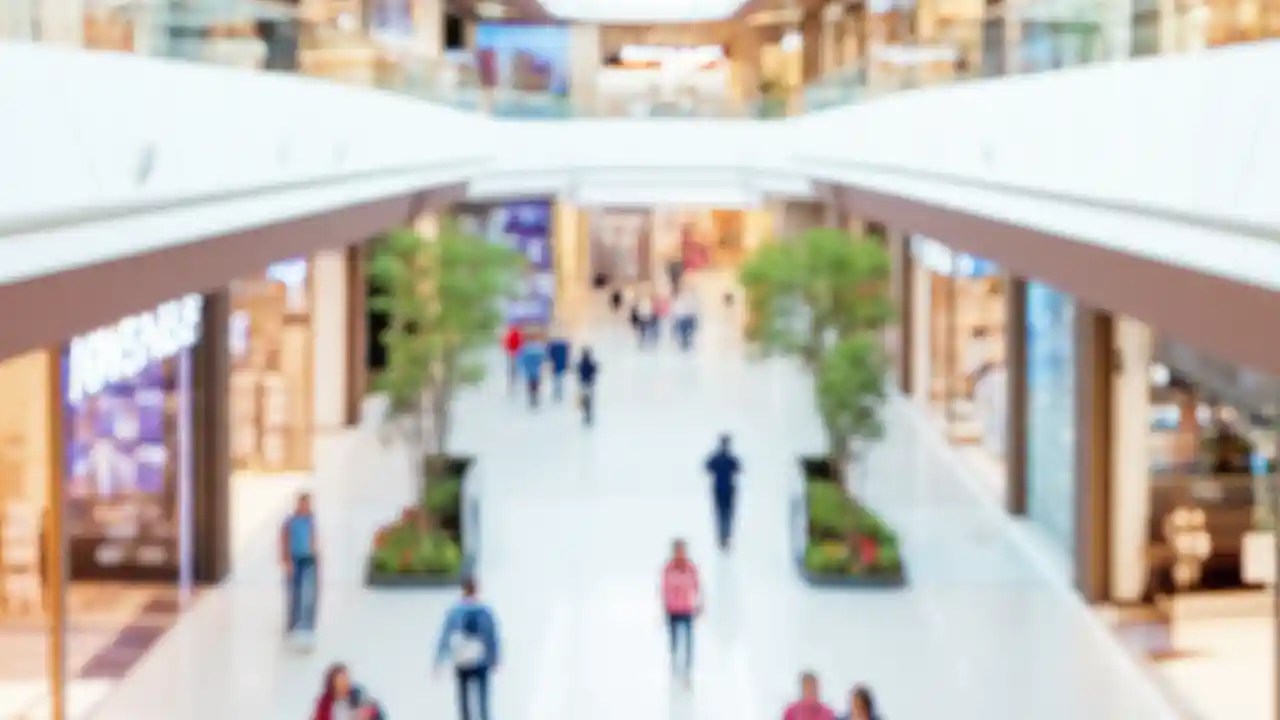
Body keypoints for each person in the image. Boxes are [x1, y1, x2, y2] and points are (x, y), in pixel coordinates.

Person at [435, 578, 501, 720]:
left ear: (463, 591)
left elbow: (446, 635)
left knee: (463, 699)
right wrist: (494, 657)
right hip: (481, 661)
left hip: (462, 660)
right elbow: (491, 636)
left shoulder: (455, 611)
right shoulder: (485, 611)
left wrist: (439, 659)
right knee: (483, 699)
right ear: (476, 590)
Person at [281, 492, 319, 649]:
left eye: (307, 504)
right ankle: (292, 624)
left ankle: (308, 626)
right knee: (294, 592)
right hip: (294, 559)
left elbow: (313, 538)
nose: (305, 507)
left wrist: (315, 555)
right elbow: (284, 540)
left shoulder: (311, 520)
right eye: (303, 503)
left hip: (308, 559)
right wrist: (286, 560)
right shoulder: (290, 521)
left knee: (309, 594)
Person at [661, 539, 701, 686]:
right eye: (678, 551)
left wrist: (698, 603)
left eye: (682, 551)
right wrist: (666, 605)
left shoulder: (691, 568)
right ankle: (675, 666)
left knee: (689, 641)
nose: (680, 554)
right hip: (673, 610)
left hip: (687, 609)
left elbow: (696, 585)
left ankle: (687, 670)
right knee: (675, 641)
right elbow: (665, 588)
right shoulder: (668, 568)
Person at [705, 435, 742, 550]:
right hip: (727, 489)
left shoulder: (717, 458)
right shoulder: (730, 458)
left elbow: (707, 467)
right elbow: (738, 468)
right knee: (727, 515)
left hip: (719, 489)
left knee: (721, 514)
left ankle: (723, 537)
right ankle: (725, 537)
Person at [312, 663, 383, 720]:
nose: (345, 683)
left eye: (346, 679)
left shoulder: (359, 698)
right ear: (332, 683)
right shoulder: (324, 704)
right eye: (340, 680)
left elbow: (374, 713)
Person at [517, 333, 547, 409]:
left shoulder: (525, 348)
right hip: (537, 371)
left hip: (529, 371)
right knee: (536, 385)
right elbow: (544, 358)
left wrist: (521, 369)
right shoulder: (539, 348)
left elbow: (521, 360)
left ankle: (532, 400)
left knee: (530, 386)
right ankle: (535, 399)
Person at [576, 347, 599, 426]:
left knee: (584, 399)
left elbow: (578, 371)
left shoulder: (581, 363)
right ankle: (588, 413)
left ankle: (585, 413)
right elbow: (595, 371)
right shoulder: (591, 363)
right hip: (589, 383)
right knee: (589, 400)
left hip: (583, 383)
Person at [546, 334, 571, 402]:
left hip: (554, 366)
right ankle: (559, 394)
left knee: (556, 380)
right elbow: (566, 357)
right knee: (560, 380)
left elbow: (550, 357)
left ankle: (556, 393)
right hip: (561, 366)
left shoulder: (553, 347)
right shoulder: (564, 348)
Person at [502, 324, 523, 392]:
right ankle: (514, 379)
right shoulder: (517, 334)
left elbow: (506, 343)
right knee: (515, 367)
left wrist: (508, 350)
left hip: (512, 353)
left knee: (512, 367)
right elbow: (521, 343)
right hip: (516, 352)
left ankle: (512, 380)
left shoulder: (510, 334)